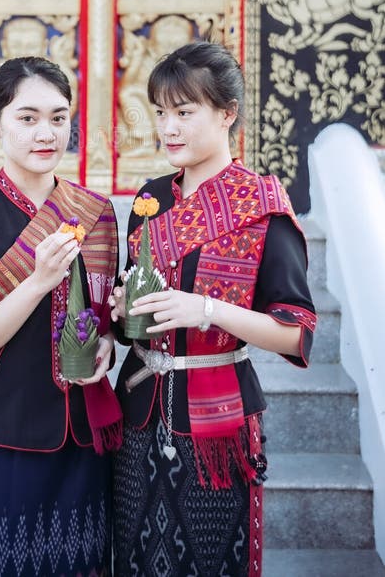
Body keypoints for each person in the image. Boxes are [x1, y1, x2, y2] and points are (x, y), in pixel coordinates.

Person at [109, 41, 316, 577]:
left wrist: (206, 308)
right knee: (133, 556)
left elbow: (296, 334)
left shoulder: (263, 204)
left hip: (216, 423)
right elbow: (133, 316)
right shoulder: (151, 200)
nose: (168, 127)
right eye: (160, 113)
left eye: (184, 112)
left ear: (226, 114)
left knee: (210, 558)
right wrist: (117, 311)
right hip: (137, 411)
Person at [0, 56, 121, 577]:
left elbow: (100, 319)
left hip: (80, 440)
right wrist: (37, 281)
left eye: (59, 118)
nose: (47, 133)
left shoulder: (96, 212)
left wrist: (106, 343)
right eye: (28, 117)